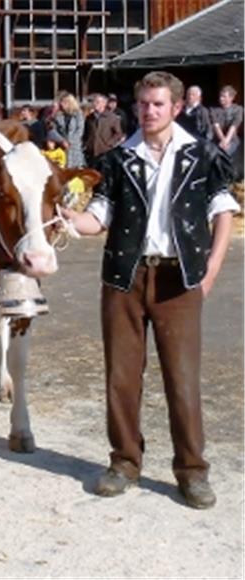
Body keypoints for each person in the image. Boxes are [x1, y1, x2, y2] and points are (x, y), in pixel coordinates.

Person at [61, 71, 239, 510]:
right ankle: (124, 462)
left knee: (182, 379)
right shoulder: (119, 159)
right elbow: (98, 219)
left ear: (176, 107)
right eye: (143, 103)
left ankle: (192, 471)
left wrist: (212, 268)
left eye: (158, 104)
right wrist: (64, 218)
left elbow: (222, 212)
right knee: (121, 378)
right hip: (124, 277)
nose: (149, 111)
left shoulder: (202, 155)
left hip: (180, 278)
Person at [211, 85, 243, 179]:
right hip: (217, 140)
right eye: (220, 96)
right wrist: (222, 140)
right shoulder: (214, 110)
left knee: (226, 153)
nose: (221, 98)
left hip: (232, 140)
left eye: (224, 96)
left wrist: (226, 141)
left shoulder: (238, 109)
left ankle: (229, 177)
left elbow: (234, 126)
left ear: (231, 98)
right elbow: (216, 126)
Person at [83, 93, 124, 166]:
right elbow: (86, 132)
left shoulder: (112, 117)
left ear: (104, 104)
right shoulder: (89, 118)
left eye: (97, 102)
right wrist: (86, 143)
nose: (95, 104)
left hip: (104, 151)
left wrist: (109, 143)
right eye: (94, 102)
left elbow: (118, 133)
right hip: (91, 152)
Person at [53, 92, 86, 168]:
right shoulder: (58, 115)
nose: (61, 104)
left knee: (76, 168)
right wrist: (62, 140)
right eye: (61, 102)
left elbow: (80, 130)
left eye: (64, 102)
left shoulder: (78, 114)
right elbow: (55, 130)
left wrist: (70, 141)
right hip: (62, 145)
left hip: (75, 146)